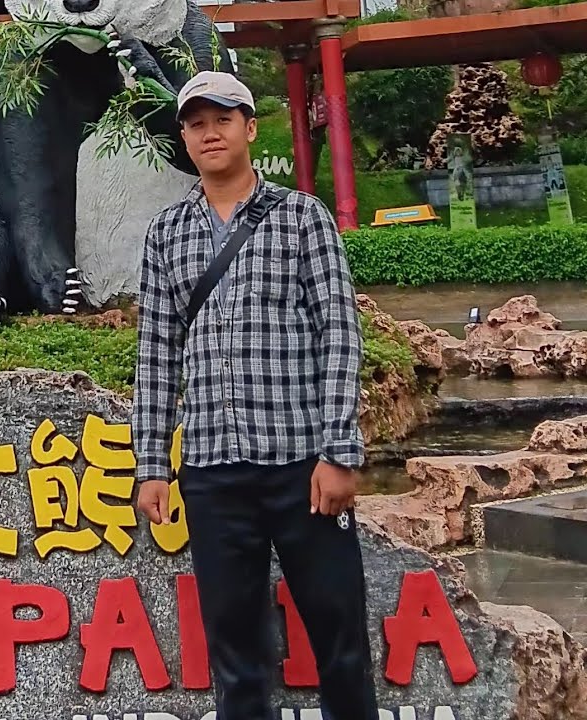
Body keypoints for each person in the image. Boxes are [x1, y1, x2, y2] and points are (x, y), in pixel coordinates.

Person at [133, 71, 378, 720]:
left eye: (223, 118)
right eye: (195, 122)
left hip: (301, 464)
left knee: (340, 639)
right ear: (183, 137)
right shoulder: (166, 234)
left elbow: (339, 336)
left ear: (249, 127)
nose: (209, 132)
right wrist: (152, 466)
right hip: (213, 474)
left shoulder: (302, 218)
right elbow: (156, 356)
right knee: (236, 656)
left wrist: (339, 451)